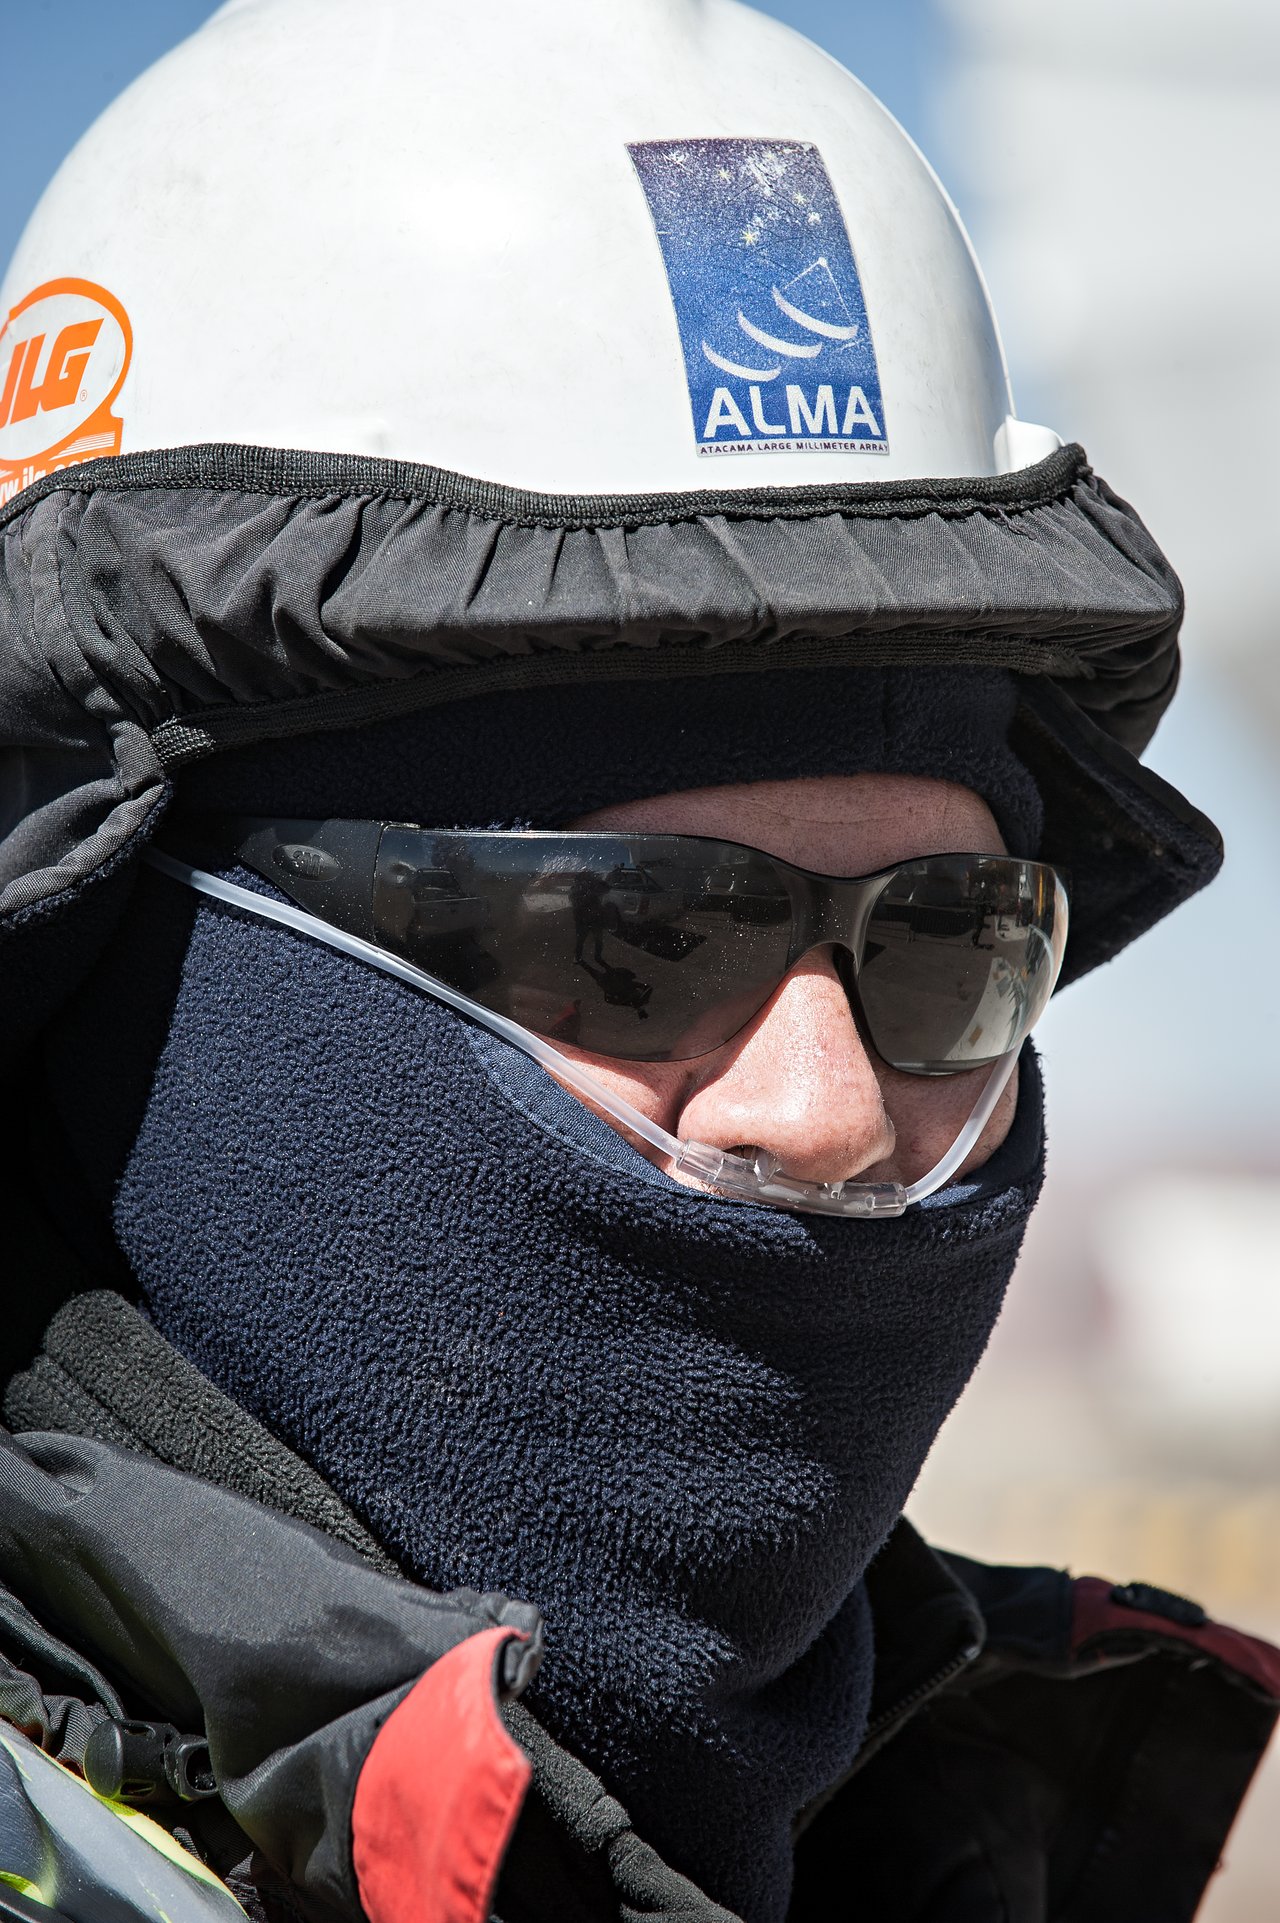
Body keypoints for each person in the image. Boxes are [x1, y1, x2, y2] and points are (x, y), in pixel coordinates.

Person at [0, 3, 1275, 1920]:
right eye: (636, 937)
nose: (835, 1114)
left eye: (953, 944)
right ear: (124, 952)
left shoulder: (968, 1838)